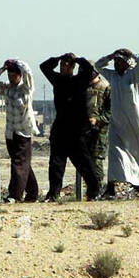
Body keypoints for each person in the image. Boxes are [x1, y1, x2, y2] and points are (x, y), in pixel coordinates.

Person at [94, 48, 139, 198]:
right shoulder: (113, 76)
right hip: (118, 123)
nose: (116, 64)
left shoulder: (134, 75)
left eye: (120, 61)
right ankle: (111, 187)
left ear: (127, 62)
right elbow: (97, 66)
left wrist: (131, 53)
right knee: (115, 154)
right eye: (115, 62)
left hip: (135, 123)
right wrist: (109, 56)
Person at [39, 53, 99, 202]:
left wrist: (77, 59)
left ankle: (94, 191)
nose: (63, 67)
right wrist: (58, 58)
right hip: (60, 128)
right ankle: (53, 194)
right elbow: (44, 67)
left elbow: (89, 67)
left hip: (77, 129)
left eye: (67, 65)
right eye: (62, 65)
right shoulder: (58, 80)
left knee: (84, 163)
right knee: (56, 164)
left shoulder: (80, 80)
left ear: (73, 67)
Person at [0, 58, 40, 202]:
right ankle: (32, 193)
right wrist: (2, 69)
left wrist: (16, 62)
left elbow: (28, 72)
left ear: (19, 75)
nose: (11, 77)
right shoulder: (7, 89)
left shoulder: (26, 88)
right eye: (9, 75)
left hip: (23, 132)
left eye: (14, 74)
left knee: (18, 164)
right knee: (23, 163)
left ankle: (15, 195)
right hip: (10, 132)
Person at [85, 69, 112, 199]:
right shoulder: (84, 88)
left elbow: (111, 112)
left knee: (96, 162)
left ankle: (98, 190)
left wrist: (98, 120)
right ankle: (91, 191)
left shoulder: (105, 88)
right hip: (85, 131)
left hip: (99, 132)